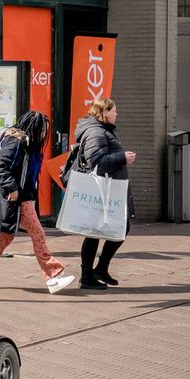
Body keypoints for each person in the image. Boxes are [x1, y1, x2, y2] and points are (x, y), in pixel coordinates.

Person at [0, 110, 76, 293]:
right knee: (37, 234)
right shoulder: (16, 143)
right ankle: (52, 275)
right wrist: (11, 187)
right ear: (32, 129)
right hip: (14, 198)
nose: (44, 133)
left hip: (20, 198)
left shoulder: (27, 145)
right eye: (42, 129)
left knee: (4, 238)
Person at [73, 98, 135, 285]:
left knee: (119, 228)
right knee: (94, 231)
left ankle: (100, 269)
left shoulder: (103, 130)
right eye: (114, 111)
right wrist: (122, 158)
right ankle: (87, 276)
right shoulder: (95, 132)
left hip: (110, 189)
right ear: (105, 112)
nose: (117, 114)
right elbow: (97, 163)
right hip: (101, 190)